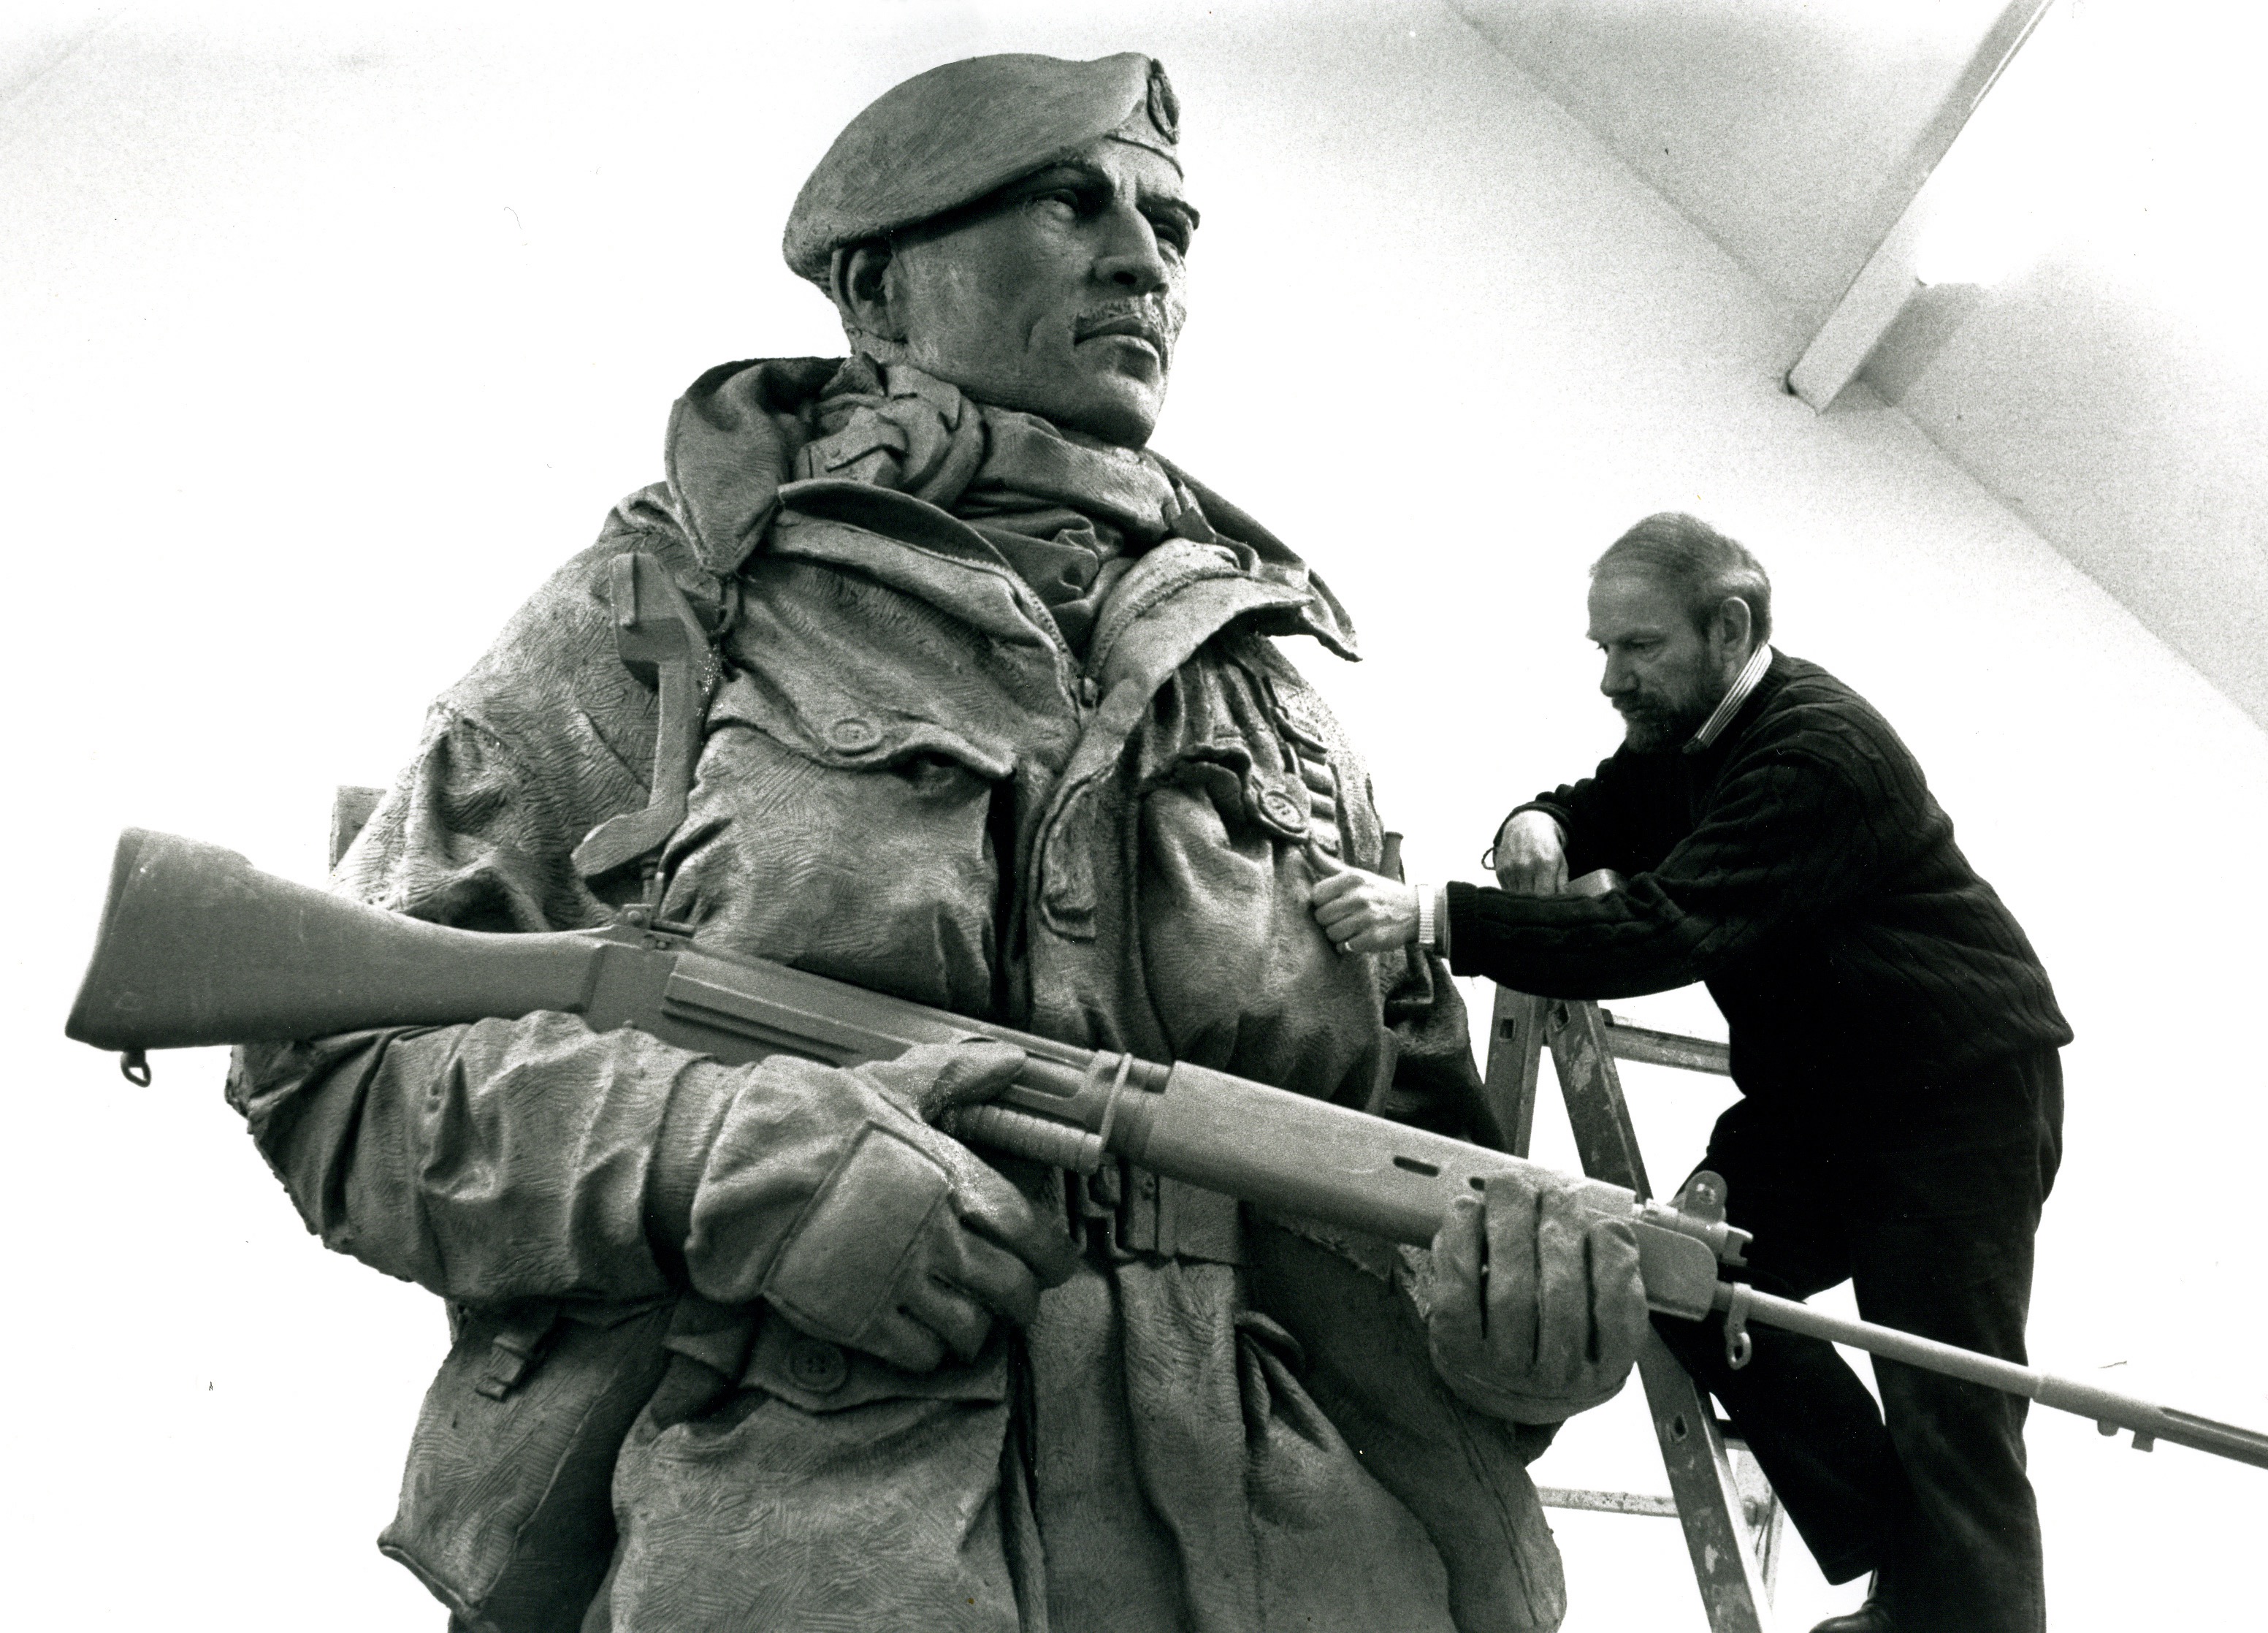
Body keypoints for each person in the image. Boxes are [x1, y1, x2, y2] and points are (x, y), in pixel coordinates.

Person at [226, 52, 1648, 1633]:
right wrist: (734, 1165)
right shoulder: (676, 606)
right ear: (876, 290)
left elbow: (1400, 1154)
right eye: (1067, 202)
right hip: (813, 1538)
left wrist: (1508, 1338)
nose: (1139, 257)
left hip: (1290, 1560)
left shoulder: (1274, 695)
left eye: (1171, 227)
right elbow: (337, 1057)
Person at [1312, 512, 2074, 1633]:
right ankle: (1902, 1561)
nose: (1613, 678)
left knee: (1952, 1397)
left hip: (1951, 1094)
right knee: (1671, 1276)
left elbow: (1657, 933)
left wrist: (1428, 916)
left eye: (1637, 648)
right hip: (1819, 1103)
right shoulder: (1690, 734)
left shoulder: (1815, 751)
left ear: (1729, 626)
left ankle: (1959, 1615)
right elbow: (1606, 802)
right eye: (1602, 650)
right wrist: (1540, 821)